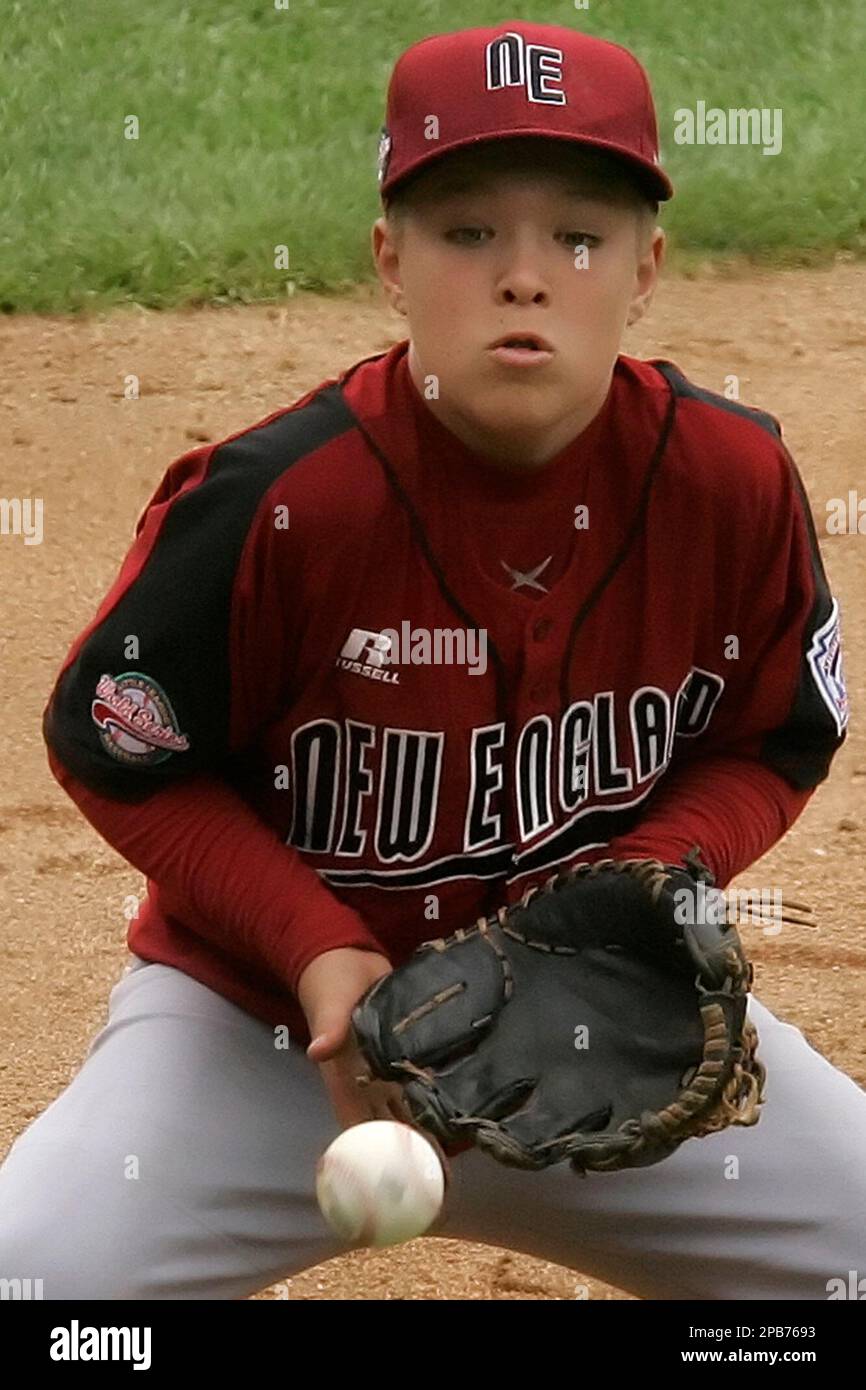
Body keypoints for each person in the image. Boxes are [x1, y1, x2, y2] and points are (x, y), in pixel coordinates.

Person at [0, 22, 861, 1301]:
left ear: (645, 269)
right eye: (466, 233)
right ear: (389, 262)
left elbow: (773, 736)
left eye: (577, 237)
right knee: (39, 1283)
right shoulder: (276, 505)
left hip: (592, 1040)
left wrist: (639, 887)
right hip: (266, 1041)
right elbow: (120, 752)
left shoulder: (727, 483)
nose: (524, 277)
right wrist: (312, 947)